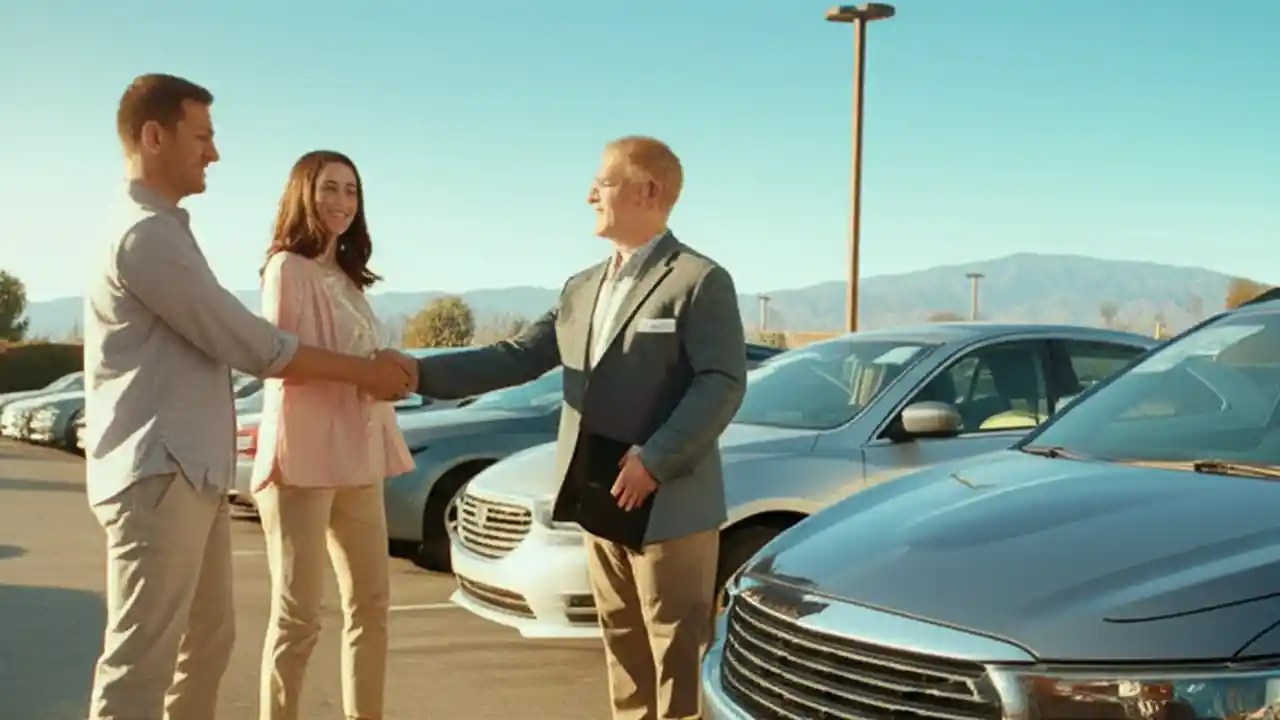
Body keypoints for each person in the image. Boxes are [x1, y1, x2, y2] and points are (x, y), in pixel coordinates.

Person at [82, 73, 412, 720]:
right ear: (154, 136)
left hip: (192, 470)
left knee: (205, 644)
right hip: (160, 471)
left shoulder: (170, 231)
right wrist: (366, 373)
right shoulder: (144, 237)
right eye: (202, 135)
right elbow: (253, 345)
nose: (214, 152)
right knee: (143, 661)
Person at [402, 135, 747, 720]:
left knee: (677, 652)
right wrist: (414, 372)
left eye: (602, 183)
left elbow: (721, 383)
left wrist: (654, 461)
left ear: (648, 191)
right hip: (599, 491)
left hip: (666, 500)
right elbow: (515, 357)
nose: (590, 194)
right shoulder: (581, 287)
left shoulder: (698, 280)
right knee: (622, 645)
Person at [249, 150, 414, 720]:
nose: (342, 202)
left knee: (372, 603)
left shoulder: (347, 278)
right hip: (302, 460)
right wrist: (364, 372)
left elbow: (358, 360)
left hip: (360, 456)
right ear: (303, 193)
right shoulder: (285, 269)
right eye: (329, 189)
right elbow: (280, 358)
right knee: (297, 617)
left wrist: (387, 370)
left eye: (351, 191)